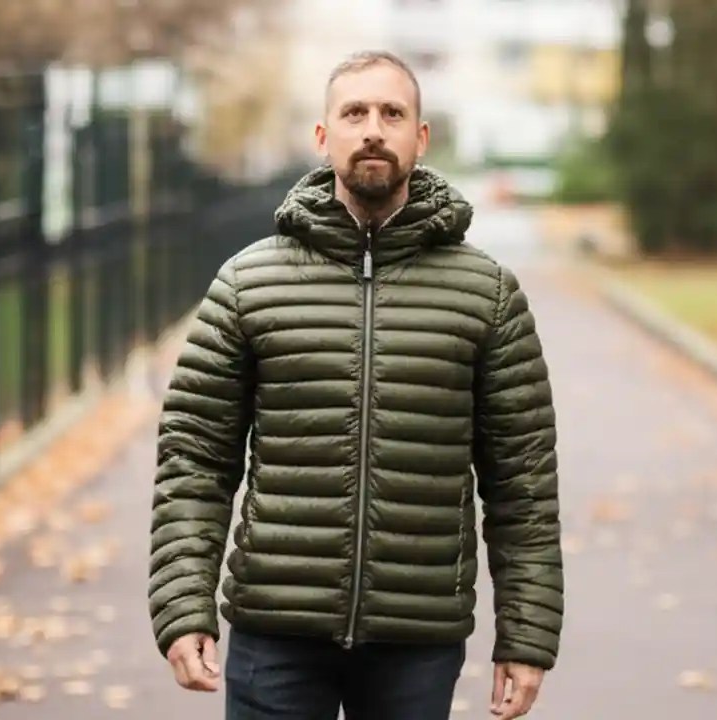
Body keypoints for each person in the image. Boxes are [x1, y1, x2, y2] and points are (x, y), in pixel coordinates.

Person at [148, 50, 563, 720]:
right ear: (323, 136)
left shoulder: (486, 293)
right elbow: (195, 458)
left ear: (420, 138)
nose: (374, 128)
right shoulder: (248, 284)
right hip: (274, 630)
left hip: (416, 640)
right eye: (355, 113)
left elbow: (524, 482)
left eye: (392, 113)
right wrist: (182, 604)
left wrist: (527, 636)